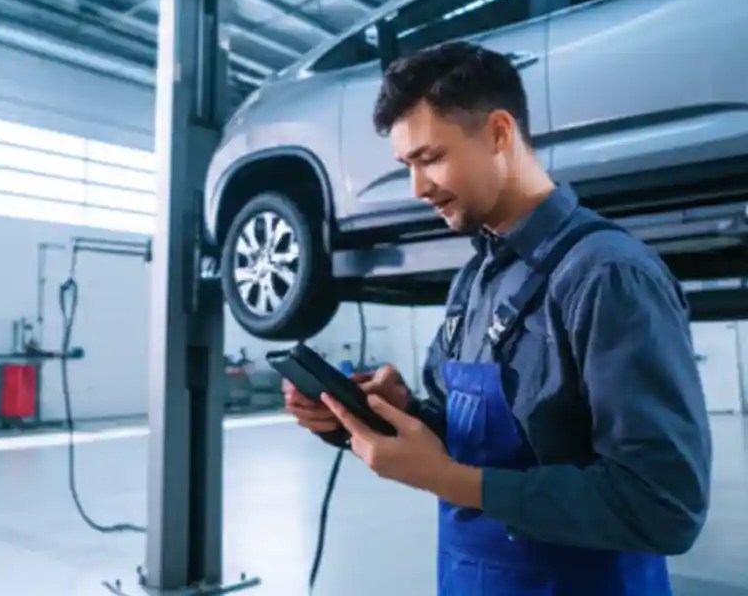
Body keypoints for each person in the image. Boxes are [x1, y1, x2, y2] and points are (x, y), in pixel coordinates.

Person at [283, 41, 712, 595]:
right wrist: (393, 413)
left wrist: (450, 481)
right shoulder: (475, 279)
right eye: (407, 166)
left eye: (431, 158)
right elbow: (472, 441)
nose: (417, 188)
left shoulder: (608, 276)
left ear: (498, 134)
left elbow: (665, 507)